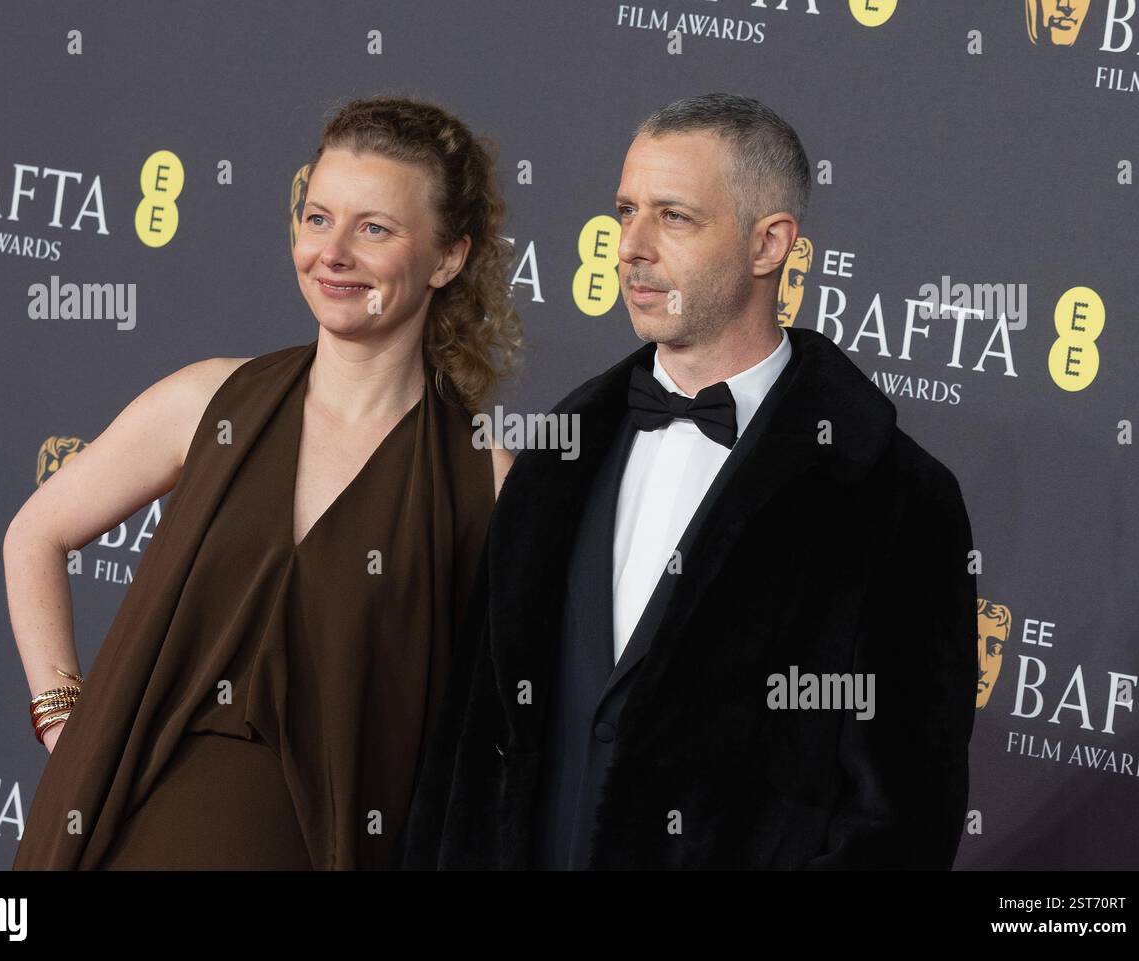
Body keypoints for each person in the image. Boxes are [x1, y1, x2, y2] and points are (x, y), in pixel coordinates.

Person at [398, 92, 978, 870]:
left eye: (673, 216)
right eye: (623, 210)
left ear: (769, 243)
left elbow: (899, 820)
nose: (628, 245)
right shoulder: (553, 461)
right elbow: (469, 754)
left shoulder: (893, 498)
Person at [6, 94, 520, 870]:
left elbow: (502, 730)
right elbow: (33, 535)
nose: (333, 252)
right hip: (122, 835)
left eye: (373, 227)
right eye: (318, 217)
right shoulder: (209, 400)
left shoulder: (482, 479)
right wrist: (63, 715)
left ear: (447, 257)